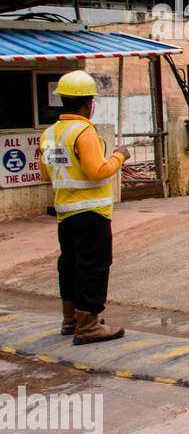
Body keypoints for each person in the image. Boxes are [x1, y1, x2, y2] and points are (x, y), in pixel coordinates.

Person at [37, 70, 131, 344]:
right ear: (89, 103)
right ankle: (88, 325)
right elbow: (97, 171)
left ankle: (71, 319)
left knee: (70, 265)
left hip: (65, 213)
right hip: (92, 213)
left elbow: (46, 174)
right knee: (94, 266)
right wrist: (119, 156)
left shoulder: (51, 134)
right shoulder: (84, 132)